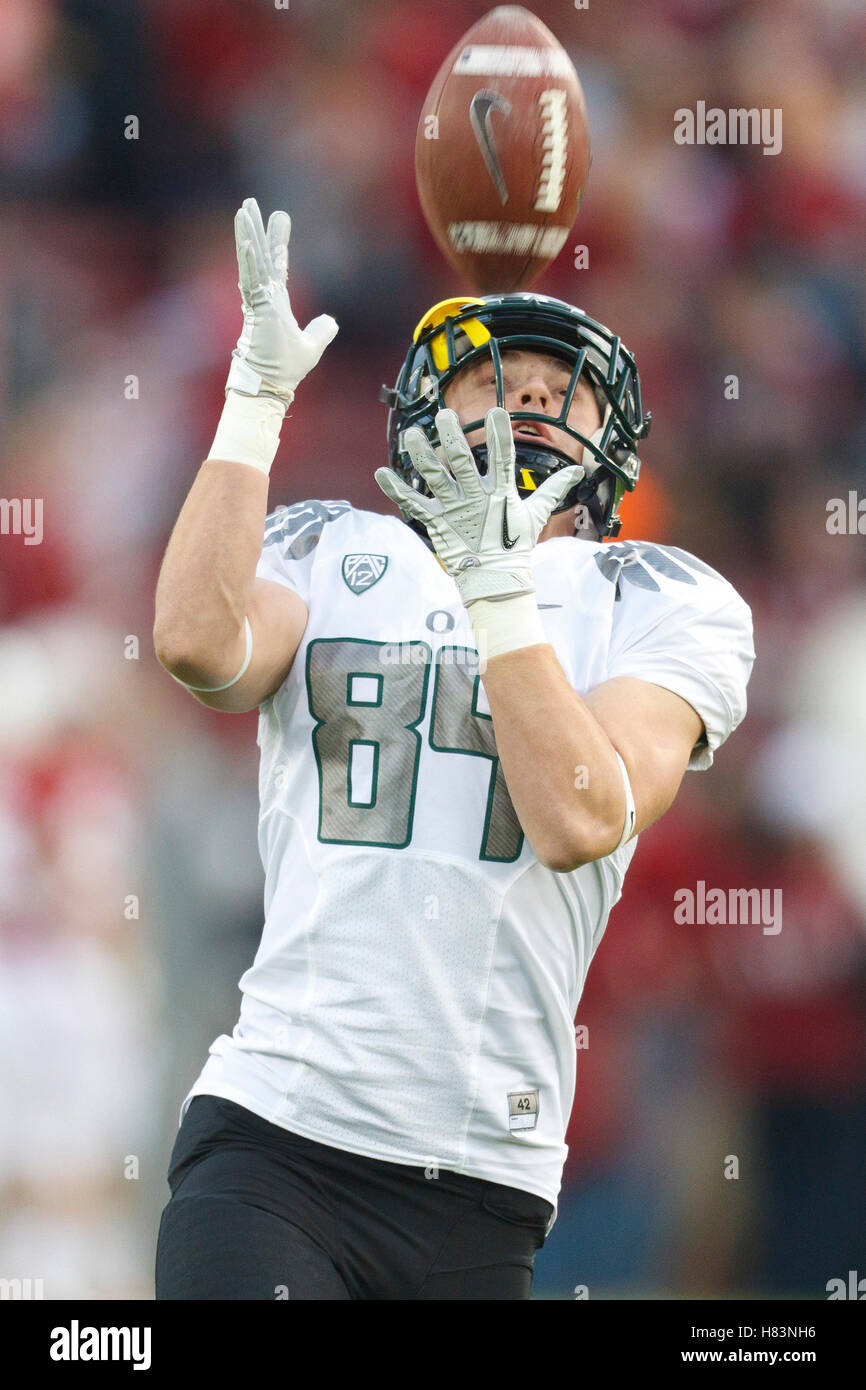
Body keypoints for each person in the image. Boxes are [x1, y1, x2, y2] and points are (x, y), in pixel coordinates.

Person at [152, 198, 755, 1300]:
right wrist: (253, 403)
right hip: (276, 1135)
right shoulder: (336, 546)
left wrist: (495, 587)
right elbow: (197, 645)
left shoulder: (656, 598)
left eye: (553, 380)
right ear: (426, 408)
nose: (527, 393)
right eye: (496, 374)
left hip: (482, 1186)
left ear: (610, 432)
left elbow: (580, 817)